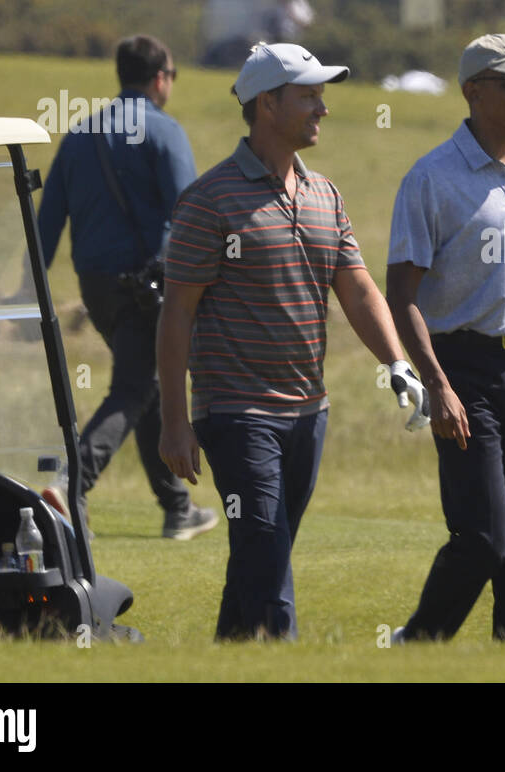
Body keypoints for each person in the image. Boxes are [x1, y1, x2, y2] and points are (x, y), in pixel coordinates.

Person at [157, 42, 428, 641]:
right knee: (266, 549)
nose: (322, 108)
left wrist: (398, 365)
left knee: (263, 556)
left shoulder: (325, 195)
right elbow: (176, 315)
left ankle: (230, 657)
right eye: (309, 96)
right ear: (267, 105)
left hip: (309, 414)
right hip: (235, 411)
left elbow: (358, 291)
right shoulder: (209, 201)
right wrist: (175, 422)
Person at [386, 33, 505, 643]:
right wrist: (436, 387)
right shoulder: (431, 179)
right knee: (486, 537)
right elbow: (401, 297)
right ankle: (418, 646)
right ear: (473, 91)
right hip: (464, 372)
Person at [37, 34, 216, 541]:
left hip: (96, 288)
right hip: (152, 287)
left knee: (148, 386)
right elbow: (193, 213)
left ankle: (177, 507)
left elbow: (45, 228)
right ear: (160, 78)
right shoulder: (164, 131)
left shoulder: (78, 135)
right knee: (136, 387)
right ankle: (72, 488)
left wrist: (28, 295)